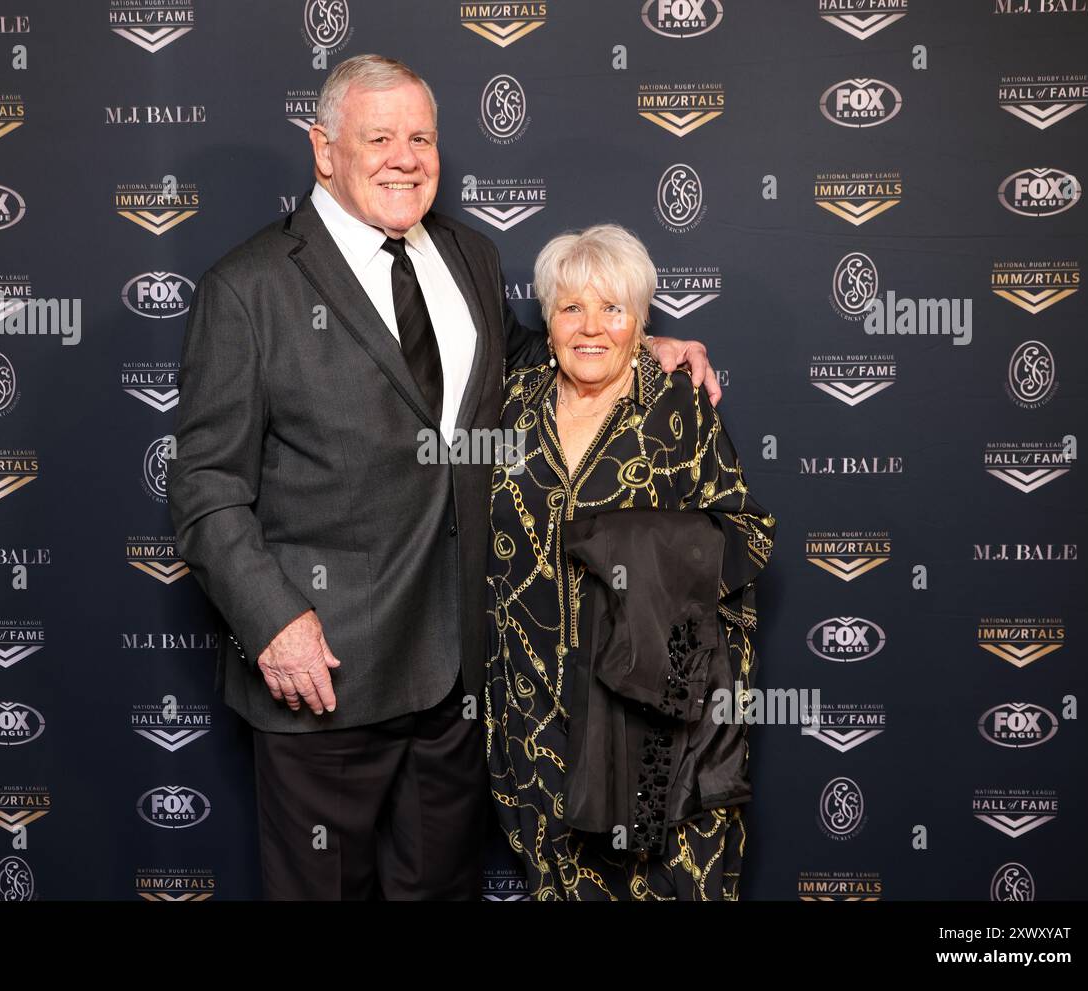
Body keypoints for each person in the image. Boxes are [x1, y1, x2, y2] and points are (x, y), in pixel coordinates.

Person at [167, 54, 718, 900]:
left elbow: (534, 371)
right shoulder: (248, 289)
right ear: (323, 149)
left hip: (461, 673)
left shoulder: (467, 253)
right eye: (378, 136)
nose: (405, 156)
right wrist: (274, 622)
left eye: (420, 136)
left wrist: (634, 346)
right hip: (324, 675)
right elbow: (205, 488)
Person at [485, 224, 775, 900]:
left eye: (612, 309)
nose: (591, 327)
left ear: (641, 321)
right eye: (571, 307)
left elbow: (748, 531)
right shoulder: (509, 409)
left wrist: (641, 557)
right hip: (535, 720)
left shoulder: (678, 406)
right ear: (547, 320)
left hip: (653, 725)